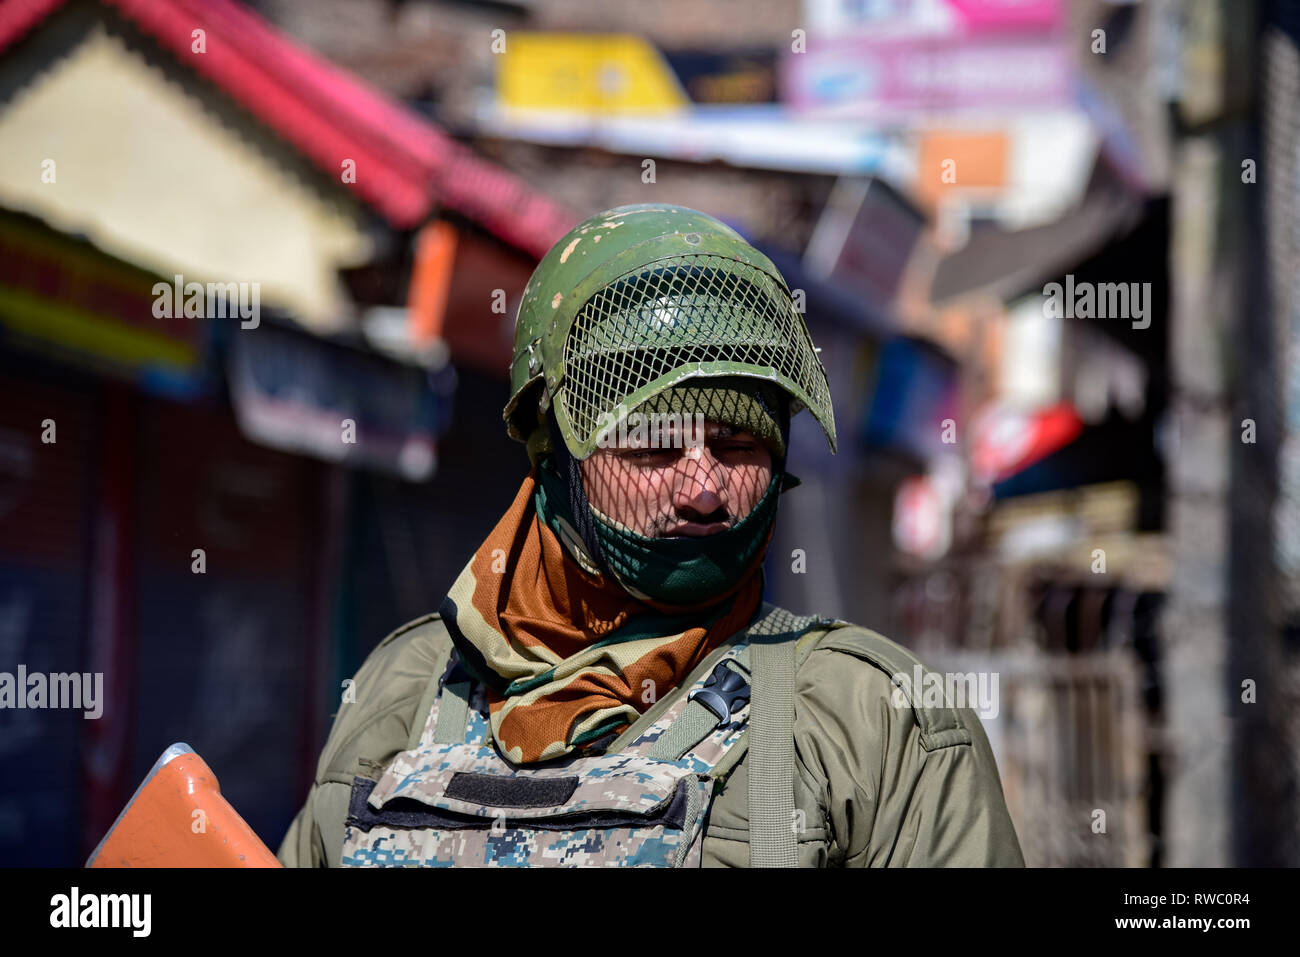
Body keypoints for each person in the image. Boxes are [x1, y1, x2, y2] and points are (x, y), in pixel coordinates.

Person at [277, 203, 1025, 868]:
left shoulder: (871, 718)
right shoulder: (407, 688)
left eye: (738, 445)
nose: (703, 488)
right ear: (553, 452)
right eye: (650, 445)